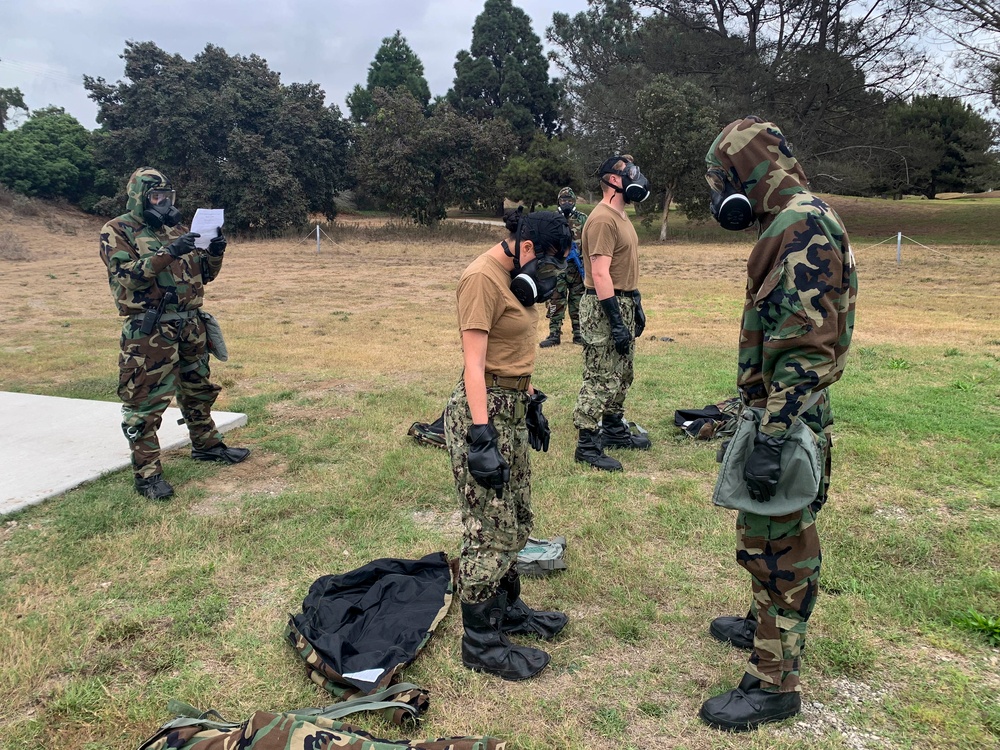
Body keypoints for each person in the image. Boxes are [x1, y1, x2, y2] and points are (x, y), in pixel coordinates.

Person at [698, 117, 858, 731]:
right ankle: (762, 628)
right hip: (788, 413)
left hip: (785, 418)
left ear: (746, 174)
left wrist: (770, 435)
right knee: (768, 537)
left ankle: (775, 682)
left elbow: (806, 348)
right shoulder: (798, 218)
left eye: (720, 182)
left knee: (779, 550)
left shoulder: (800, 225)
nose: (719, 199)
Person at [443, 209, 573, 681]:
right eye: (549, 262)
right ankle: (479, 642)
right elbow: (475, 363)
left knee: (515, 516)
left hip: (513, 406)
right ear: (527, 246)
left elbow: (513, 350)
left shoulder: (520, 277)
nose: (550, 275)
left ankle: (509, 609)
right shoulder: (481, 279)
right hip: (485, 412)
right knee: (489, 529)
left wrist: (531, 402)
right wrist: (482, 436)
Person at [100, 167, 250, 501]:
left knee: (198, 388)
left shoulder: (177, 229)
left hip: (190, 323)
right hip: (150, 329)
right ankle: (147, 474)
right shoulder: (117, 230)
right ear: (140, 197)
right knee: (145, 401)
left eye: (168, 197)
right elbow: (128, 277)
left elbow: (203, 275)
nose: (164, 204)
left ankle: (207, 445)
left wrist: (215, 252)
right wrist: (172, 250)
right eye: (156, 197)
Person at [572, 155, 652, 472]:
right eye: (628, 171)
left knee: (623, 373)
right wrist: (616, 322)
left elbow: (623, 268)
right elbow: (601, 274)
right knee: (601, 377)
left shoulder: (621, 216)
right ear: (613, 180)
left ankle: (614, 429)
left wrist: (636, 302)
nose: (636, 175)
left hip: (623, 302)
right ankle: (587, 444)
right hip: (604, 306)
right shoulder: (603, 218)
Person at [539, 187, 587, 348]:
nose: (566, 203)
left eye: (569, 200)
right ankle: (554, 334)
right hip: (556, 267)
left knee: (578, 300)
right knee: (555, 300)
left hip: (576, 267)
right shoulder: (551, 219)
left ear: (574, 202)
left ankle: (579, 333)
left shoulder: (582, 219)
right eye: (563, 200)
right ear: (558, 202)